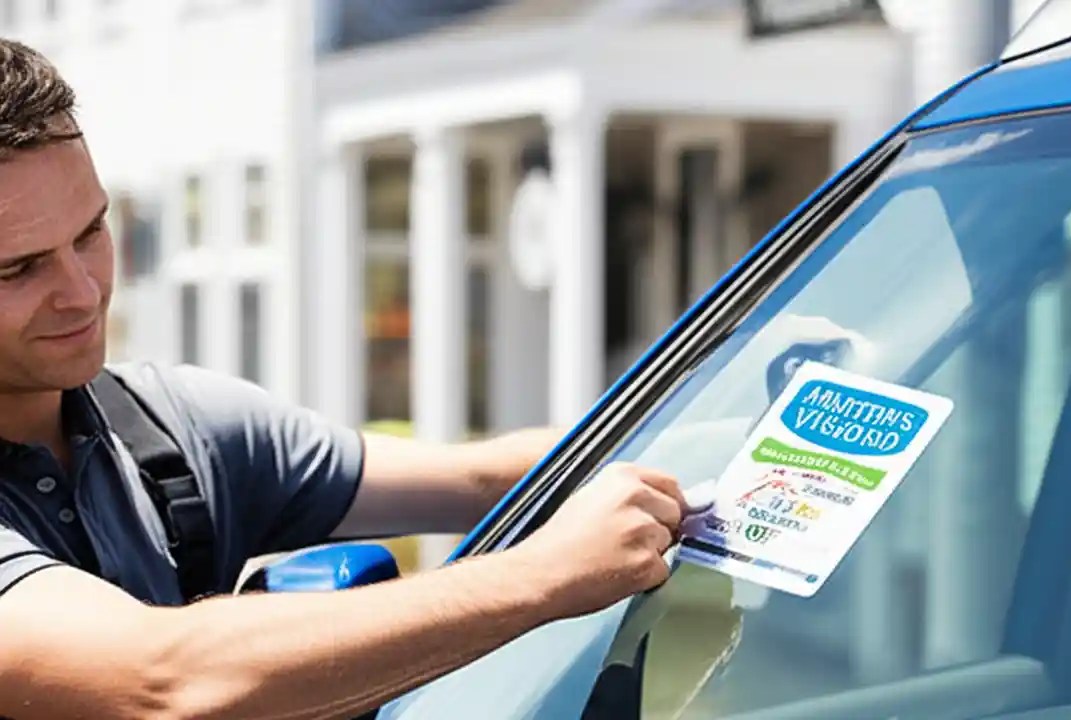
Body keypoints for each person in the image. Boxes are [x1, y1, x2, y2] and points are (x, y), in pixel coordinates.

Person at [0, 40, 688, 719]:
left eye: (91, 233)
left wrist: (739, 440)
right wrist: (545, 574)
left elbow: (483, 478)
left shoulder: (162, 429)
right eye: (19, 269)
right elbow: (165, 680)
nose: (83, 292)